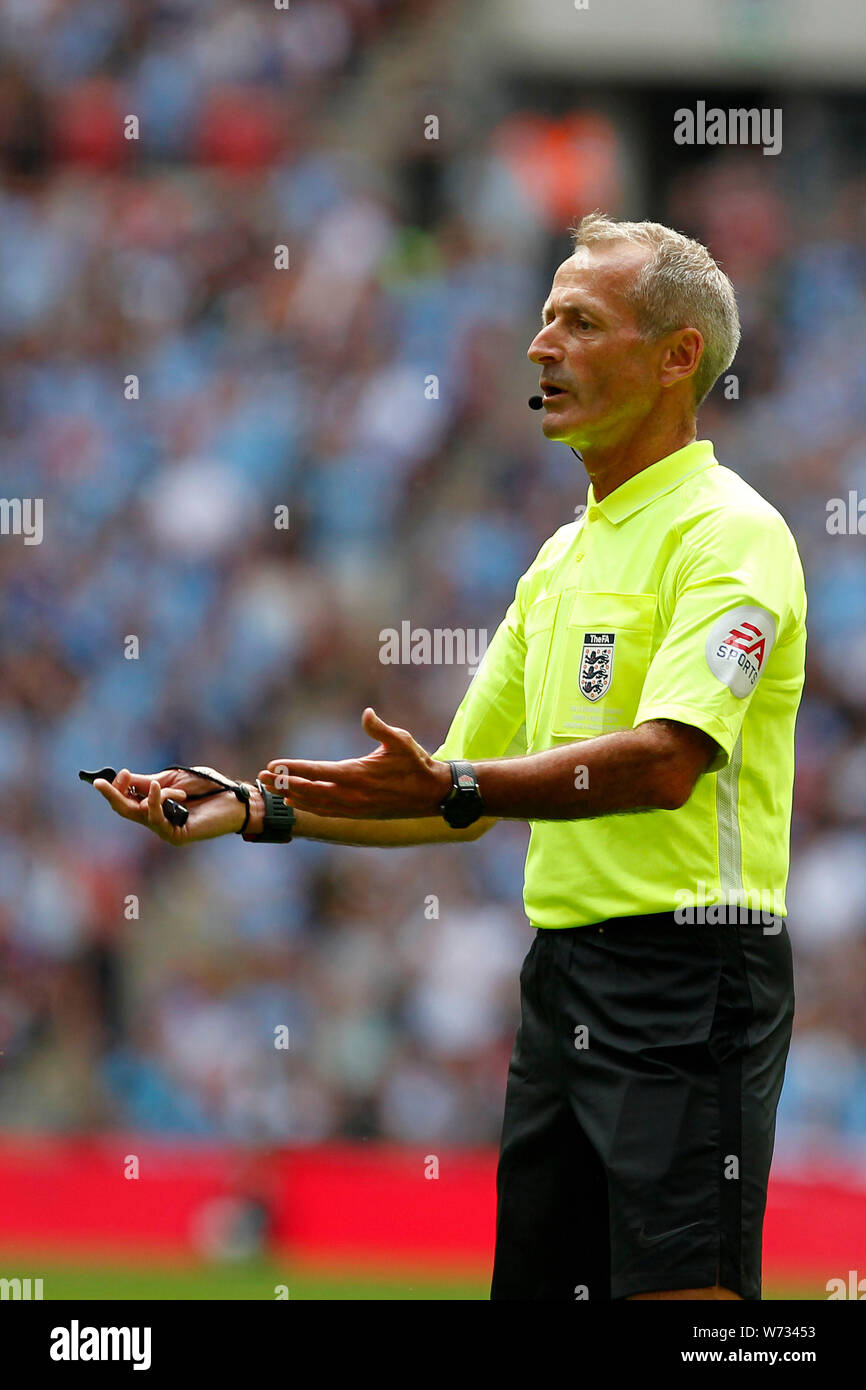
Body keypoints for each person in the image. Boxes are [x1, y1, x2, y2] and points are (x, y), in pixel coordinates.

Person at [95, 213, 807, 1301]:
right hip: (561, 975)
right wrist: (251, 807)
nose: (539, 345)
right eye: (541, 317)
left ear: (676, 359)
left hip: (690, 972)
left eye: (578, 320)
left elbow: (666, 760)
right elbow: (444, 795)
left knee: (683, 1303)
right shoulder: (561, 556)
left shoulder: (729, 533)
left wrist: (461, 785)